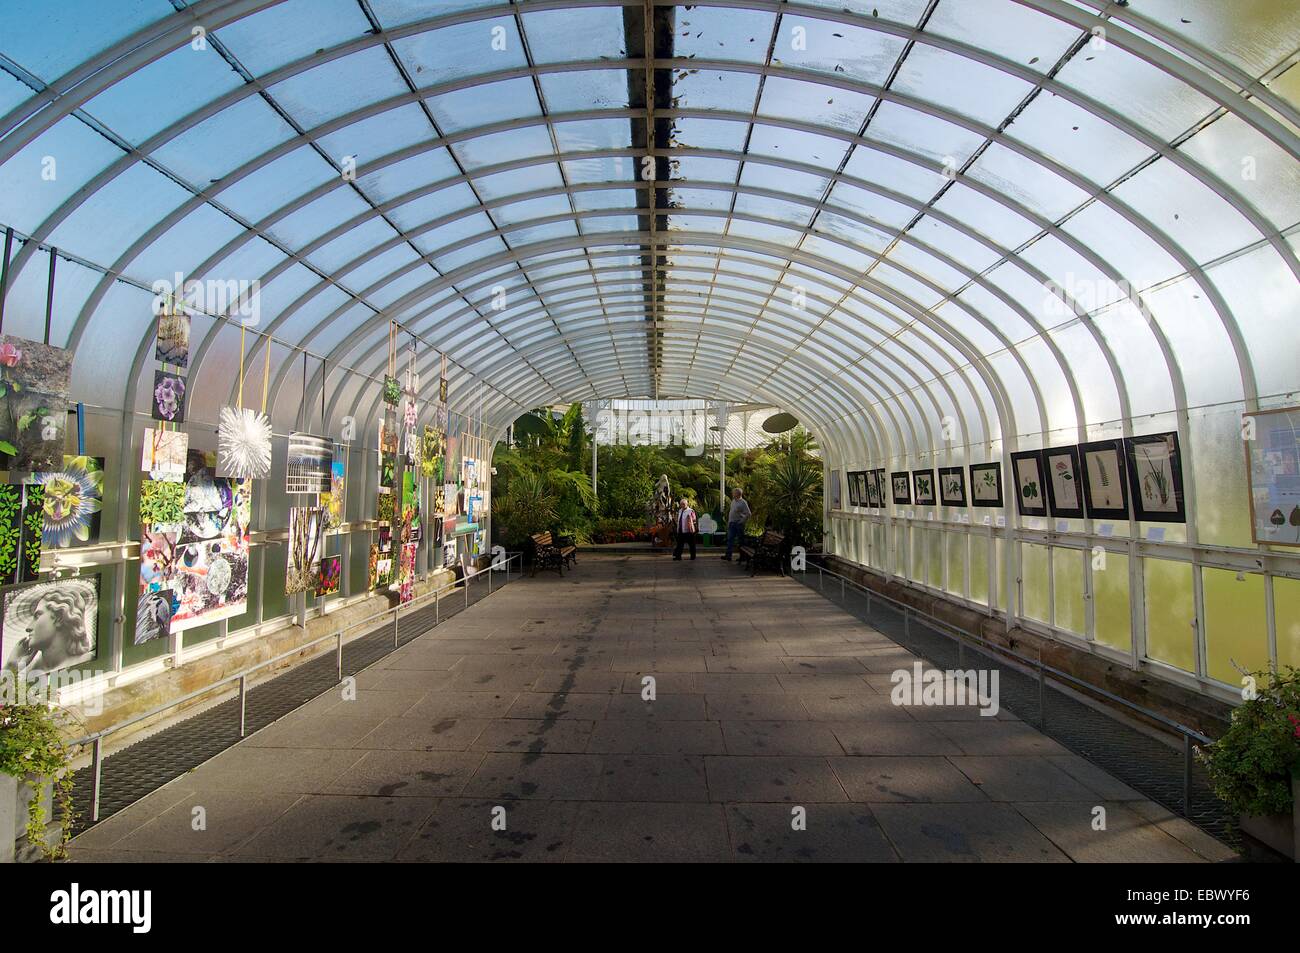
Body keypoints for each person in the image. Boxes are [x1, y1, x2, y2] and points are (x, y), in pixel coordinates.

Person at [722, 487, 751, 561]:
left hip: (739, 524)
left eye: (734, 493)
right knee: (730, 540)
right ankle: (728, 556)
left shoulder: (743, 502)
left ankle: (742, 557)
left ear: (738, 494)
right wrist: (729, 522)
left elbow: (748, 514)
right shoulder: (733, 501)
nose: (732, 494)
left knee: (740, 541)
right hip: (732, 523)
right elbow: (731, 512)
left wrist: (742, 521)